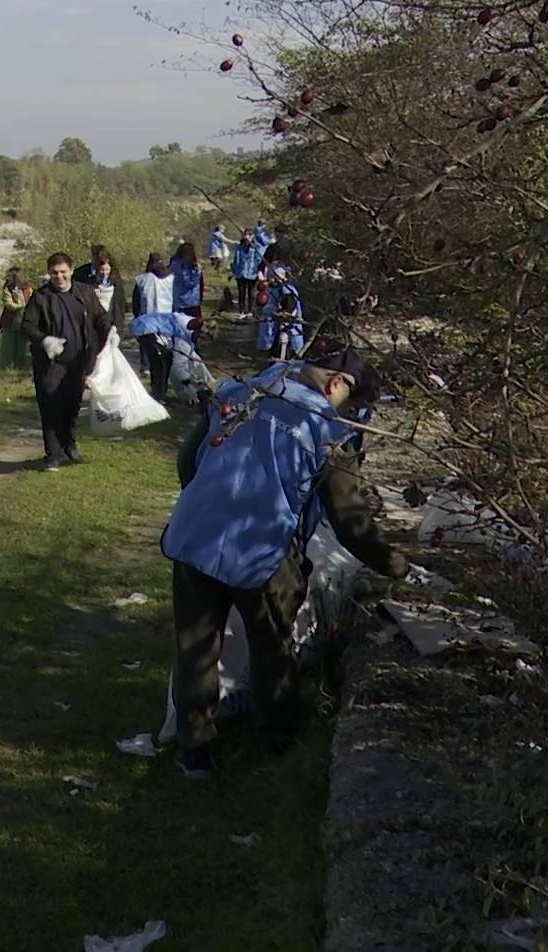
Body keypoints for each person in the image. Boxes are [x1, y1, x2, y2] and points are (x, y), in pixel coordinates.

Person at [160, 350, 409, 778]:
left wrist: (212, 501)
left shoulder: (240, 392)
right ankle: (277, 740)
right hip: (261, 548)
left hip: (195, 533)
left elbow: (188, 462)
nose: (349, 420)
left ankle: (194, 750)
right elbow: (349, 520)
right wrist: (399, 566)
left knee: (196, 644)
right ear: (336, 385)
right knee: (271, 644)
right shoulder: (325, 429)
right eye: (352, 410)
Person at [21, 252, 110, 471]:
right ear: (49, 273)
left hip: (78, 361)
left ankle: (70, 446)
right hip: (50, 364)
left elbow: (101, 318)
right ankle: (52, 455)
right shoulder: (41, 297)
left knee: (72, 405)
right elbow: (27, 325)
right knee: (51, 406)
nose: (59, 277)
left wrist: (111, 333)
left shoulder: (85, 292)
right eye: (54, 273)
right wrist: (45, 340)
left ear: (71, 270)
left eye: (63, 272)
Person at [128, 311, 200, 403]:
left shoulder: (184, 331)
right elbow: (178, 364)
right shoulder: (186, 326)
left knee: (167, 358)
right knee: (160, 363)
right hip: (147, 328)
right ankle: (158, 397)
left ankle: (160, 394)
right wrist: (187, 381)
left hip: (152, 328)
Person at [256, 263, 306, 360]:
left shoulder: (286, 291)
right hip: (273, 331)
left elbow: (290, 313)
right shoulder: (274, 288)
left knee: (282, 361)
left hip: (285, 335)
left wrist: (284, 331)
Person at [75, 244, 127, 337]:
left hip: (110, 318)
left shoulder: (115, 278)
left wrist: (119, 324)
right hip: (90, 320)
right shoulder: (80, 273)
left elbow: (120, 302)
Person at [0, 268, 32, 369]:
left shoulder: (27, 289)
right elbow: (9, 304)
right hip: (10, 322)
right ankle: (8, 367)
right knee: (8, 347)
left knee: (21, 347)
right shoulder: (7, 289)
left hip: (23, 322)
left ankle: (19, 367)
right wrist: (23, 305)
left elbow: (33, 299)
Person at [168, 241, 205, 321]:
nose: (188, 257)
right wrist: (197, 273)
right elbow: (189, 283)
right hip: (180, 302)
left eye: (190, 254)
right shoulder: (176, 265)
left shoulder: (194, 267)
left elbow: (200, 284)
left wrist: (200, 298)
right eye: (187, 254)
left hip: (193, 302)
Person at [231, 229, 263, 312]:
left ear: (252, 236)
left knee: (251, 293)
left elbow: (259, 259)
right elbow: (235, 259)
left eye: (249, 235)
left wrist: (258, 270)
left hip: (252, 273)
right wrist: (233, 270)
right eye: (245, 234)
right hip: (240, 272)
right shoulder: (239, 246)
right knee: (241, 293)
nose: (247, 236)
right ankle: (241, 310)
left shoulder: (256, 247)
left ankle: (250, 310)